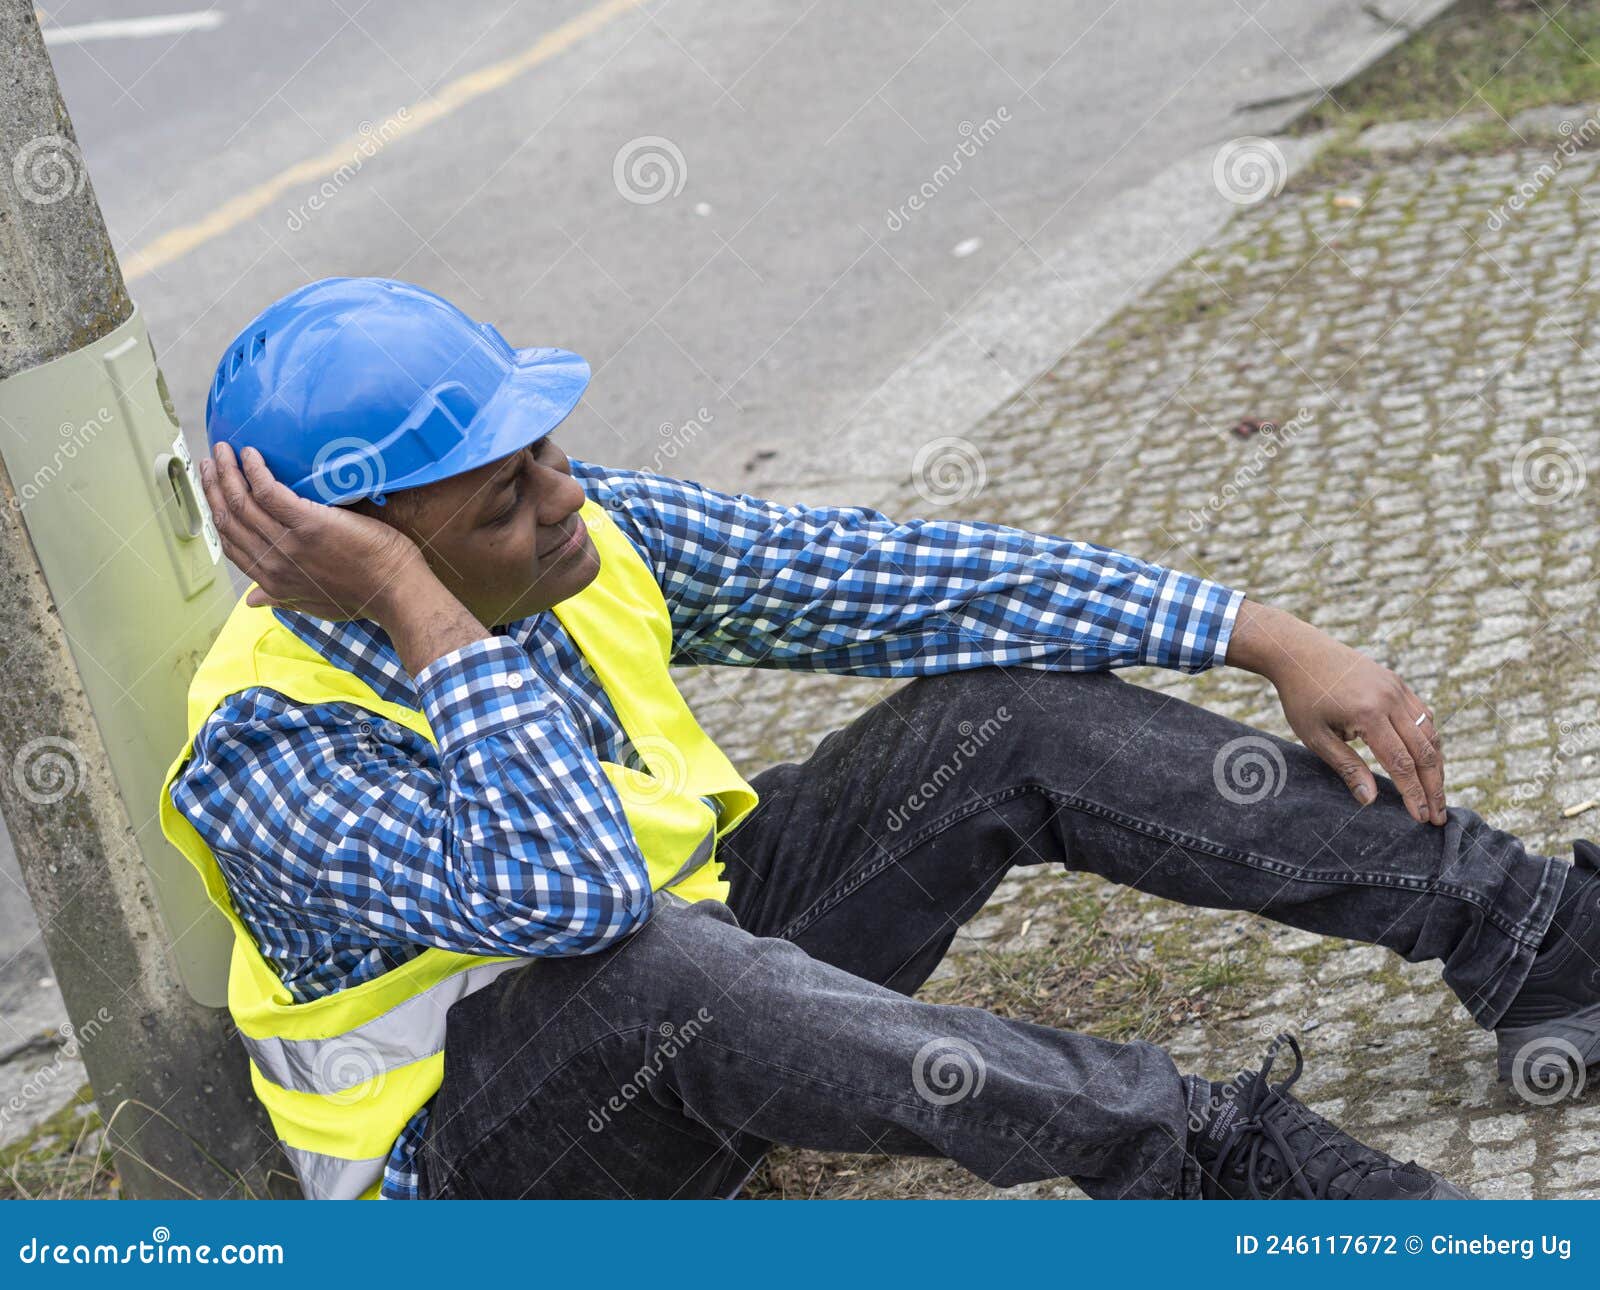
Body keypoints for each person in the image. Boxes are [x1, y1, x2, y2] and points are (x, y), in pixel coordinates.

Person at [162, 276, 1598, 1203]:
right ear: (357, 560)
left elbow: (904, 581)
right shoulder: (268, 752)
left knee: (1000, 712)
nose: (563, 499)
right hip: (509, 1161)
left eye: (547, 450)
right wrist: (425, 616)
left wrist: (1260, 631)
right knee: (655, 963)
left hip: (716, 978)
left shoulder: (573, 527)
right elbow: (584, 903)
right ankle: (1217, 1166)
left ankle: (1537, 936)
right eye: (502, 500)